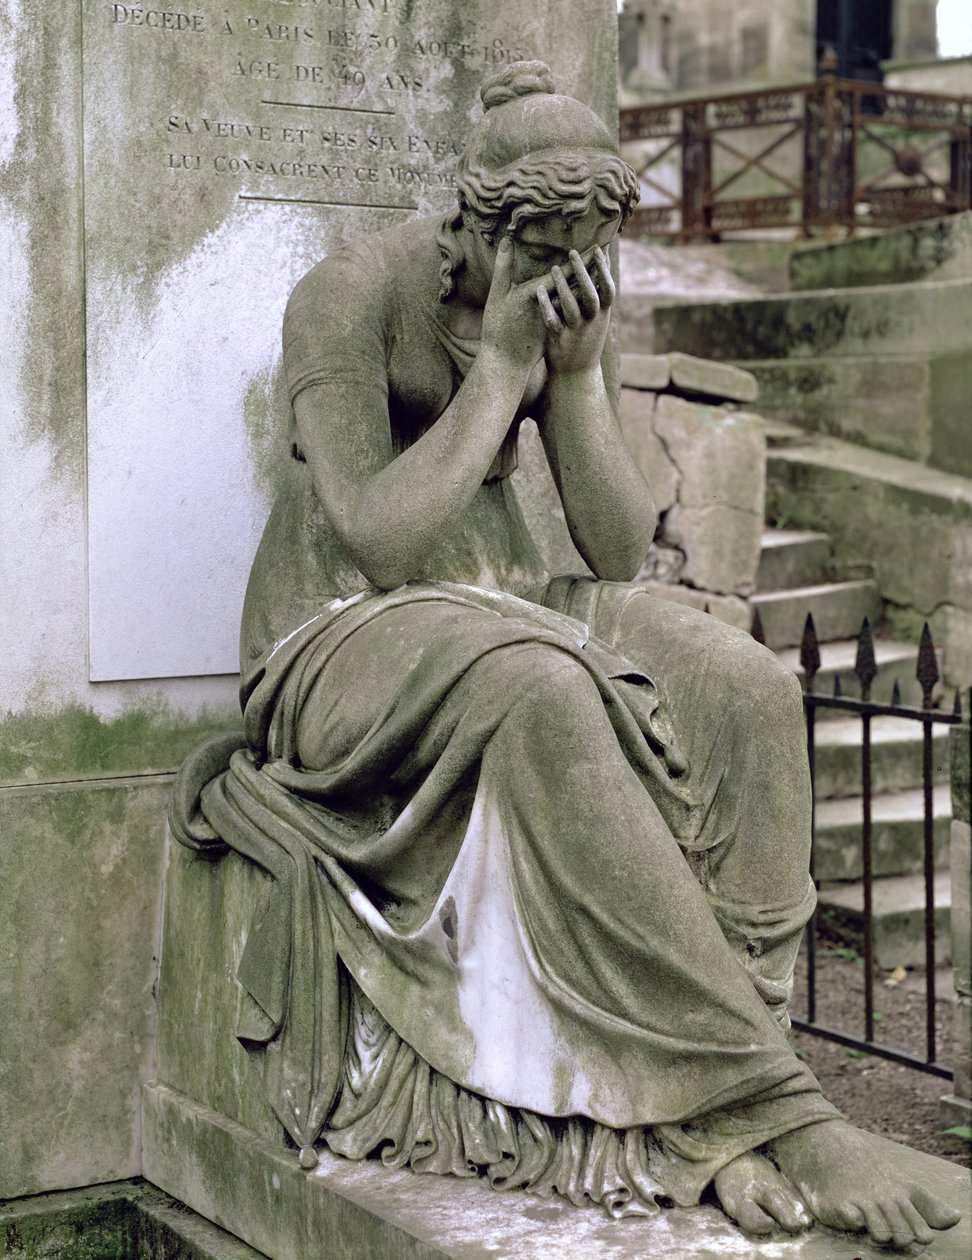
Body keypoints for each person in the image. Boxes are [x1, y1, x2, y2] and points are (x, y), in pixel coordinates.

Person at [176, 61, 960, 1249]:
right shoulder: (343, 298)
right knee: (539, 690)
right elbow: (380, 537)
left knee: (746, 687)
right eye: (539, 248)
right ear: (472, 219)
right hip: (337, 636)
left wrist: (579, 379)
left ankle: (722, 1098)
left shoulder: (558, 297)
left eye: (585, 250)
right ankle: (775, 1118)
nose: (560, 276)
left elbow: (612, 543)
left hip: (509, 594)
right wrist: (497, 373)